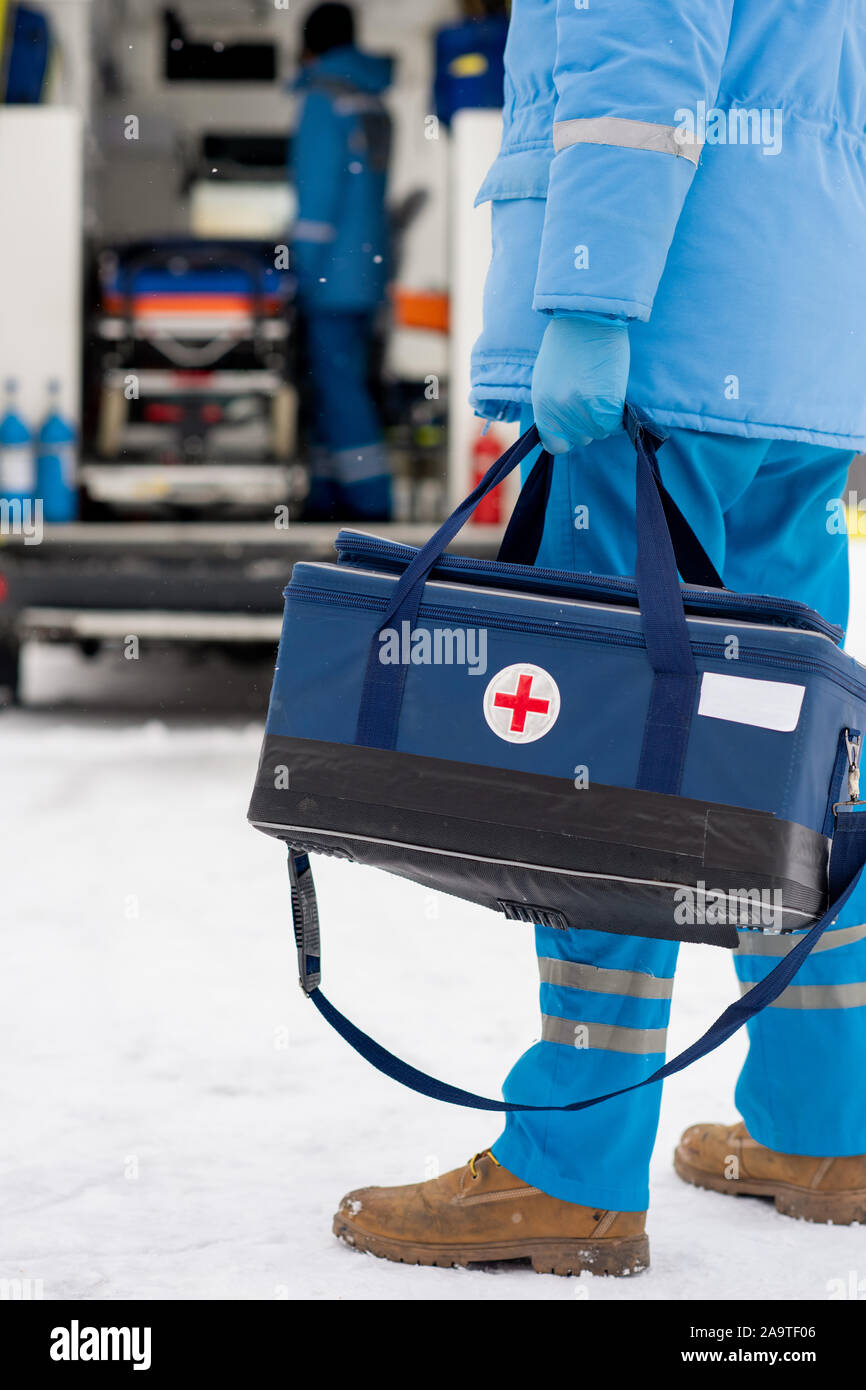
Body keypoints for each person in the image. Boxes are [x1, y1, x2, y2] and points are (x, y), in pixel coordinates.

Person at [332, 0, 866, 1275]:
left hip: (658, 357)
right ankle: (827, 1127)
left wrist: (589, 297)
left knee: (605, 762)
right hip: (795, 372)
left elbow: (637, 65)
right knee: (787, 762)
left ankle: (565, 1169)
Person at [291, 2, 392, 520]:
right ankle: (330, 495)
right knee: (344, 382)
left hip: (330, 277)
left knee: (336, 385)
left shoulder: (322, 101)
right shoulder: (371, 100)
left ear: (308, 47)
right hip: (367, 271)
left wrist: (297, 272)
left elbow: (316, 203)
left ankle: (371, 505)